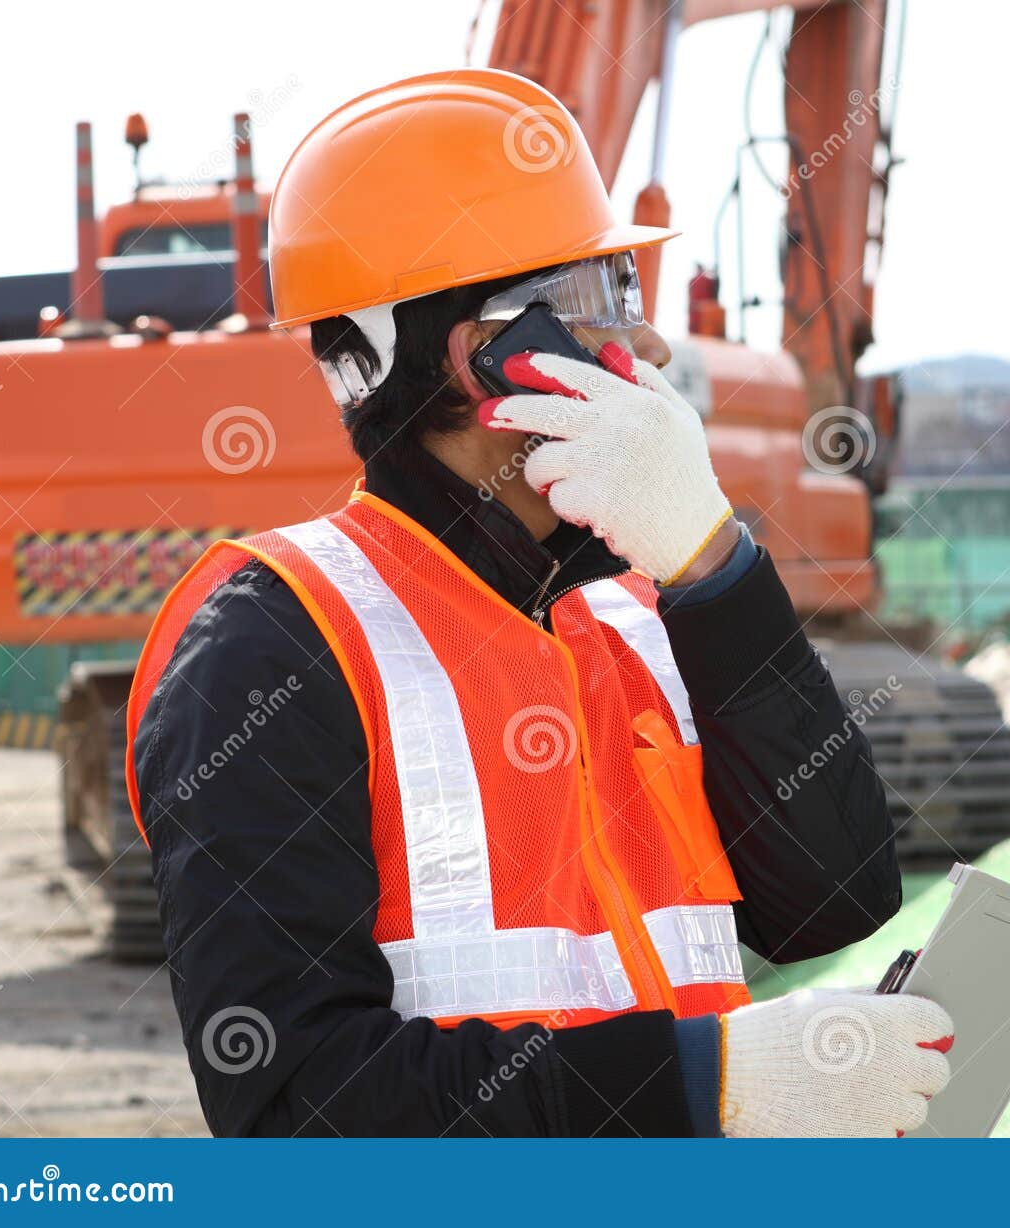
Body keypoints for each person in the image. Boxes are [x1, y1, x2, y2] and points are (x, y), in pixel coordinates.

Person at [128, 69, 952, 1137]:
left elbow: (833, 901)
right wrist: (702, 1083)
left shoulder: (634, 612)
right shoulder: (269, 645)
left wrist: (715, 568)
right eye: (605, 295)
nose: (648, 345)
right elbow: (296, 1107)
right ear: (495, 356)